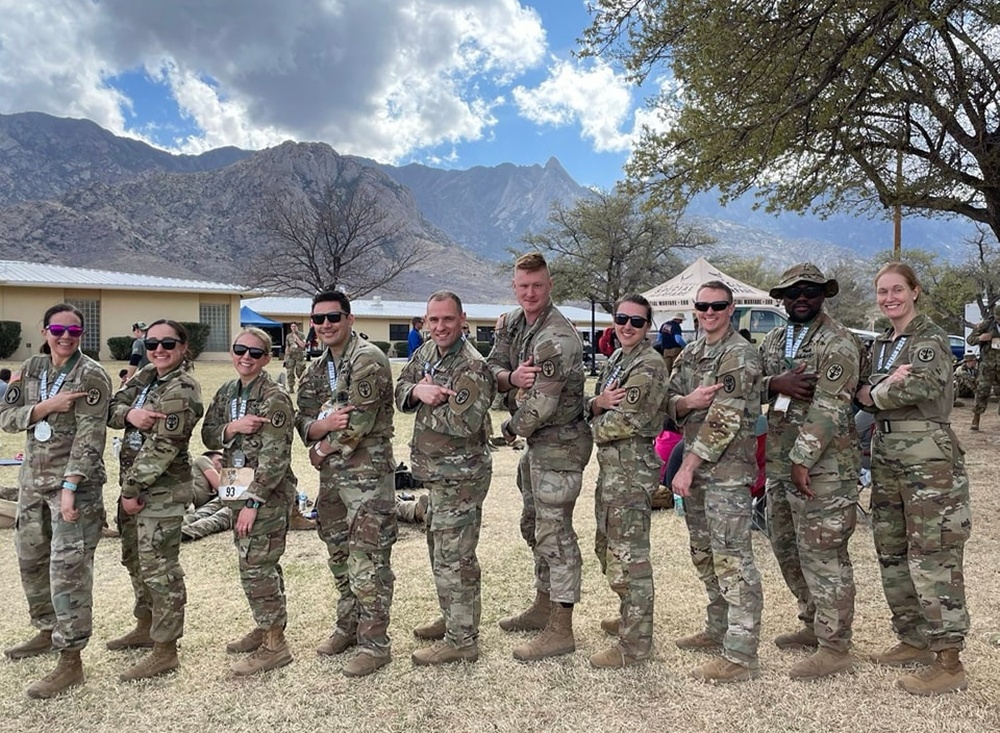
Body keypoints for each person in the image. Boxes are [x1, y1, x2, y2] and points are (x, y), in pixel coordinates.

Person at [855, 262, 971, 696]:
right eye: (882, 291)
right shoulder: (884, 342)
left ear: (915, 291)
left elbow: (917, 388)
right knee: (892, 550)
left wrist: (880, 390)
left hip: (927, 460)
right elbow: (859, 394)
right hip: (886, 455)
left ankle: (949, 661)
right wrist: (882, 386)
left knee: (933, 554)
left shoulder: (930, 338)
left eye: (897, 290)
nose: (889, 298)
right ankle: (914, 638)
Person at [0, 303, 111, 699]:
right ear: (45, 330)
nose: (66, 336)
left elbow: (90, 436)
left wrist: (70, 486)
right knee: (31, 560)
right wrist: (43, 408)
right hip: (32, 480)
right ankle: (46, 630)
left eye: (75, 331)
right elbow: (5, 416)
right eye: (58, 329)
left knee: (68, 571)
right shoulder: (30, 368)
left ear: (82, 336)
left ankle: (70, 660)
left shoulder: (91, 375)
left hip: (73, 488)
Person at [759, 263, 864, 680]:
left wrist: (802, 458)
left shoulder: (838, 342)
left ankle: (835, 646)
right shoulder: (773, 338)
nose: (802, 297)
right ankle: (811, 621)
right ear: (782, 297)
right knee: (787, 548)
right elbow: (749, 382)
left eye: (811, 290)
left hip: (824, 468)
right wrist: (774, 383)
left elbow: (831, 407)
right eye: (794, 291)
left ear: (824, 295)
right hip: (781, 465)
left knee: (824, 554)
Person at [487, 252, 593, 661]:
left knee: (556, 533)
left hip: (561, 443)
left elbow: (542, 406)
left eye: (537, 286)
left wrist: (510, 427)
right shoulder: (513, 323)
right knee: (534, 523)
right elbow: (492, 366)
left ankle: (561, 627)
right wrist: (510, 378)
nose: (530, 293)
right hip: (538, 445)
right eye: (523, 286)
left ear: (550, 287)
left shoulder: (557, 337)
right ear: (515, 287)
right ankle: (544, 604)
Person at [667, 280, 764, 683]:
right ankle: (718, 628)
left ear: (731, 308)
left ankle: (740, 656)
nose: (709, 313)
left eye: (717, 306)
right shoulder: (690, 353)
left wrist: (686, 466)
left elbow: (724, 418)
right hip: (699, 474)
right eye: (702, 306)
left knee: (733, 559)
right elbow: (667, 401)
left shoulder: (739, 355)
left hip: (725, 475)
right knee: (704, 552)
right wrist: (687, 403)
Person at [296, 290, 397, 678]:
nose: (325, 325)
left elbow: (357, 424)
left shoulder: (367, 360)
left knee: (368, 559)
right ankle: (349, 626)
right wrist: (321, 430)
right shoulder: (318, 367)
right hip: (334, 479)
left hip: (366, 476)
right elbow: (302, 420)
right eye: (318, 319)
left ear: (350, 319)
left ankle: (375, 644)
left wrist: (320, 449)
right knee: (339, 555)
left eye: (333, 318)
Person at [395, 291, 496, 666]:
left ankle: (462, 640)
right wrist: (420, 391)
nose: (439, 327)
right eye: (432, 320)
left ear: (462, 319)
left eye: (447, 320)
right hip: (437, 475)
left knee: (456, 557)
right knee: (440, 551)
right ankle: (454, 617)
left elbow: (464, 422)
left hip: (461, 476)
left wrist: (426, 399)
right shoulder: (426, 353)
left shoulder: (472, 367)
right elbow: (400, 390)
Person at [106, 319, 204, 682]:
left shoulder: (182, 387)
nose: (158, 349)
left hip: (158, 493)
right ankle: (145, 626)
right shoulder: (148, 376)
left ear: (183, 347)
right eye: (151, 343)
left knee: (161, 570)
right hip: (133, 487)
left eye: (167, 343)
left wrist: (131, 490)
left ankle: (165, 650)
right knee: (135, 561)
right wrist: (130, 413)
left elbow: (164, 446)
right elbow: (112, 409)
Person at [202, 328, 297, 675]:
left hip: (264, 494)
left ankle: (275, 645)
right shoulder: (228, 391)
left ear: (267, 359)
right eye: (240, 350)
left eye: (255, 353)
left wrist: (253, 503)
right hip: (234, 485)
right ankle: (265, 627)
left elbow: (276, 457)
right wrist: (233, 428)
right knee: (254, 561)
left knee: (257, 564)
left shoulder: (274, 397)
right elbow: (208, 432)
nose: (246, 357)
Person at [587, 294, 668, 668]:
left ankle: (634, 645)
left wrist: (592, 421)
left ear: (648, 326)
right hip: (613, 469)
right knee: (609, 548)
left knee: (630, 557)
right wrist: (597, 406)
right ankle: (629, 615)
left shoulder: (648, 365)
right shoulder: (619, 358)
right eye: (622, 318)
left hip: (632, 470)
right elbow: (600, 403)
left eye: (637, 321)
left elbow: (628, 421)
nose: (628, 326)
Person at [967, 303, 1000, 430]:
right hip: (987, 365)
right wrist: (981, 338)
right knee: (982, 391)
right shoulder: (986, 325)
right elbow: (970, 339)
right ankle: (976, 419)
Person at [284, 322, 307, 393]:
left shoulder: (301, 335)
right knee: (289, 372)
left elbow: (303, 345)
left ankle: (302, 386)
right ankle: (291, 387)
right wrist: (286, 357)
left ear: (297, 327)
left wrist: (296, 338)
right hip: (291, 356)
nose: (293, 328)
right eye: (292, 326)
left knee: (300, 372)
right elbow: (287, 346)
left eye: (295, 326)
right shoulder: (288, 336)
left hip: (299, 356)